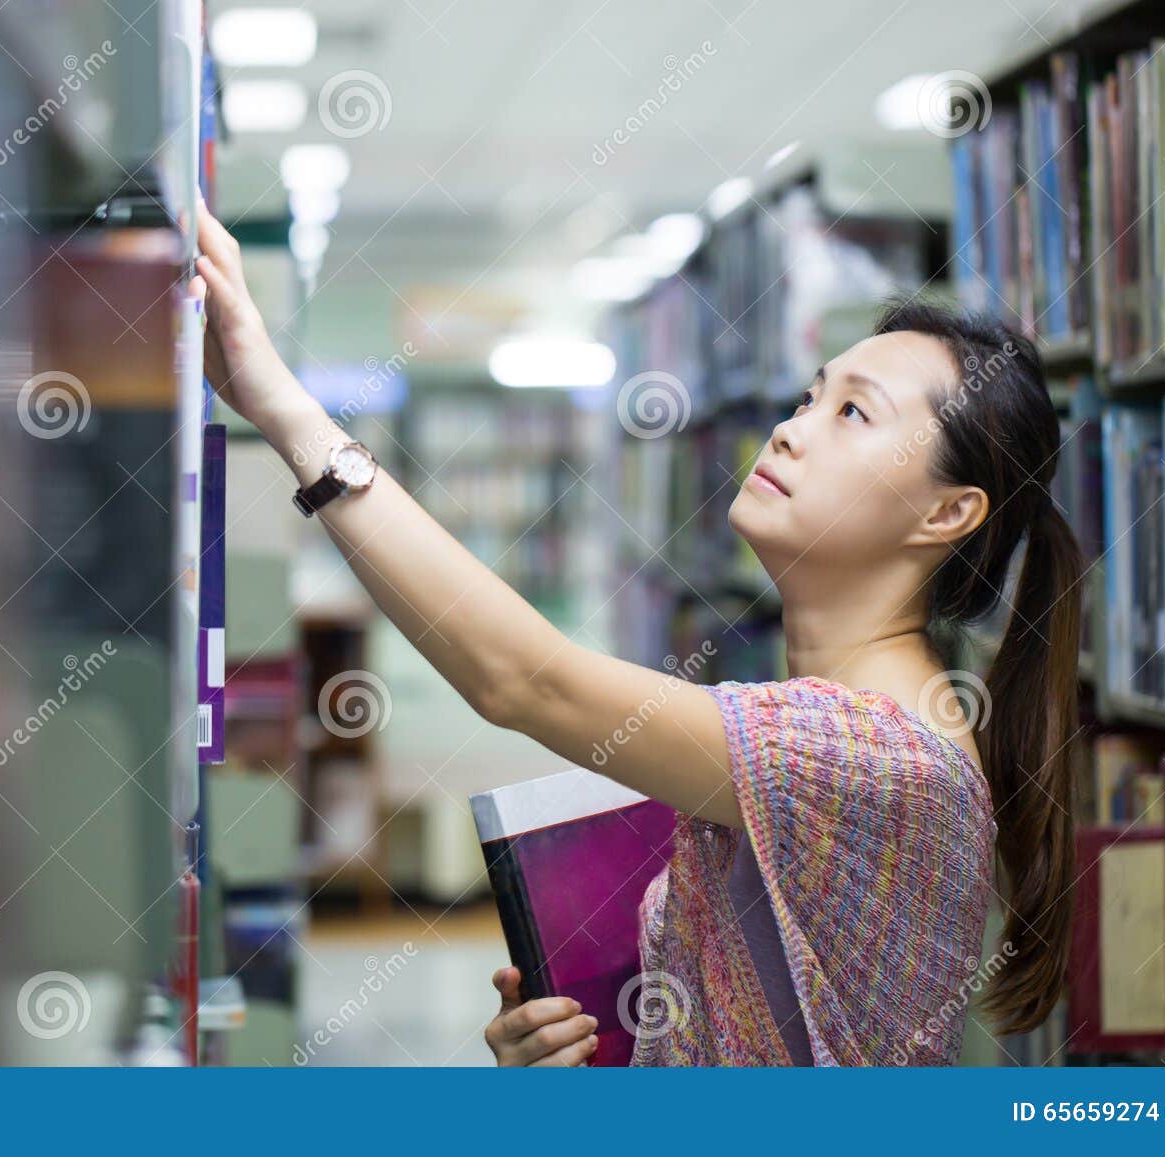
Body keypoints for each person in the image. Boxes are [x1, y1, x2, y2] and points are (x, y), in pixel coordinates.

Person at [191, 199, 1082, 1067]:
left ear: (948, 511)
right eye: (811, 395)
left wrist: (284, 409)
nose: (789, 429)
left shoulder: (879, 753)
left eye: (853, 413)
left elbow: (522, 679)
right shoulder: (806, 734)